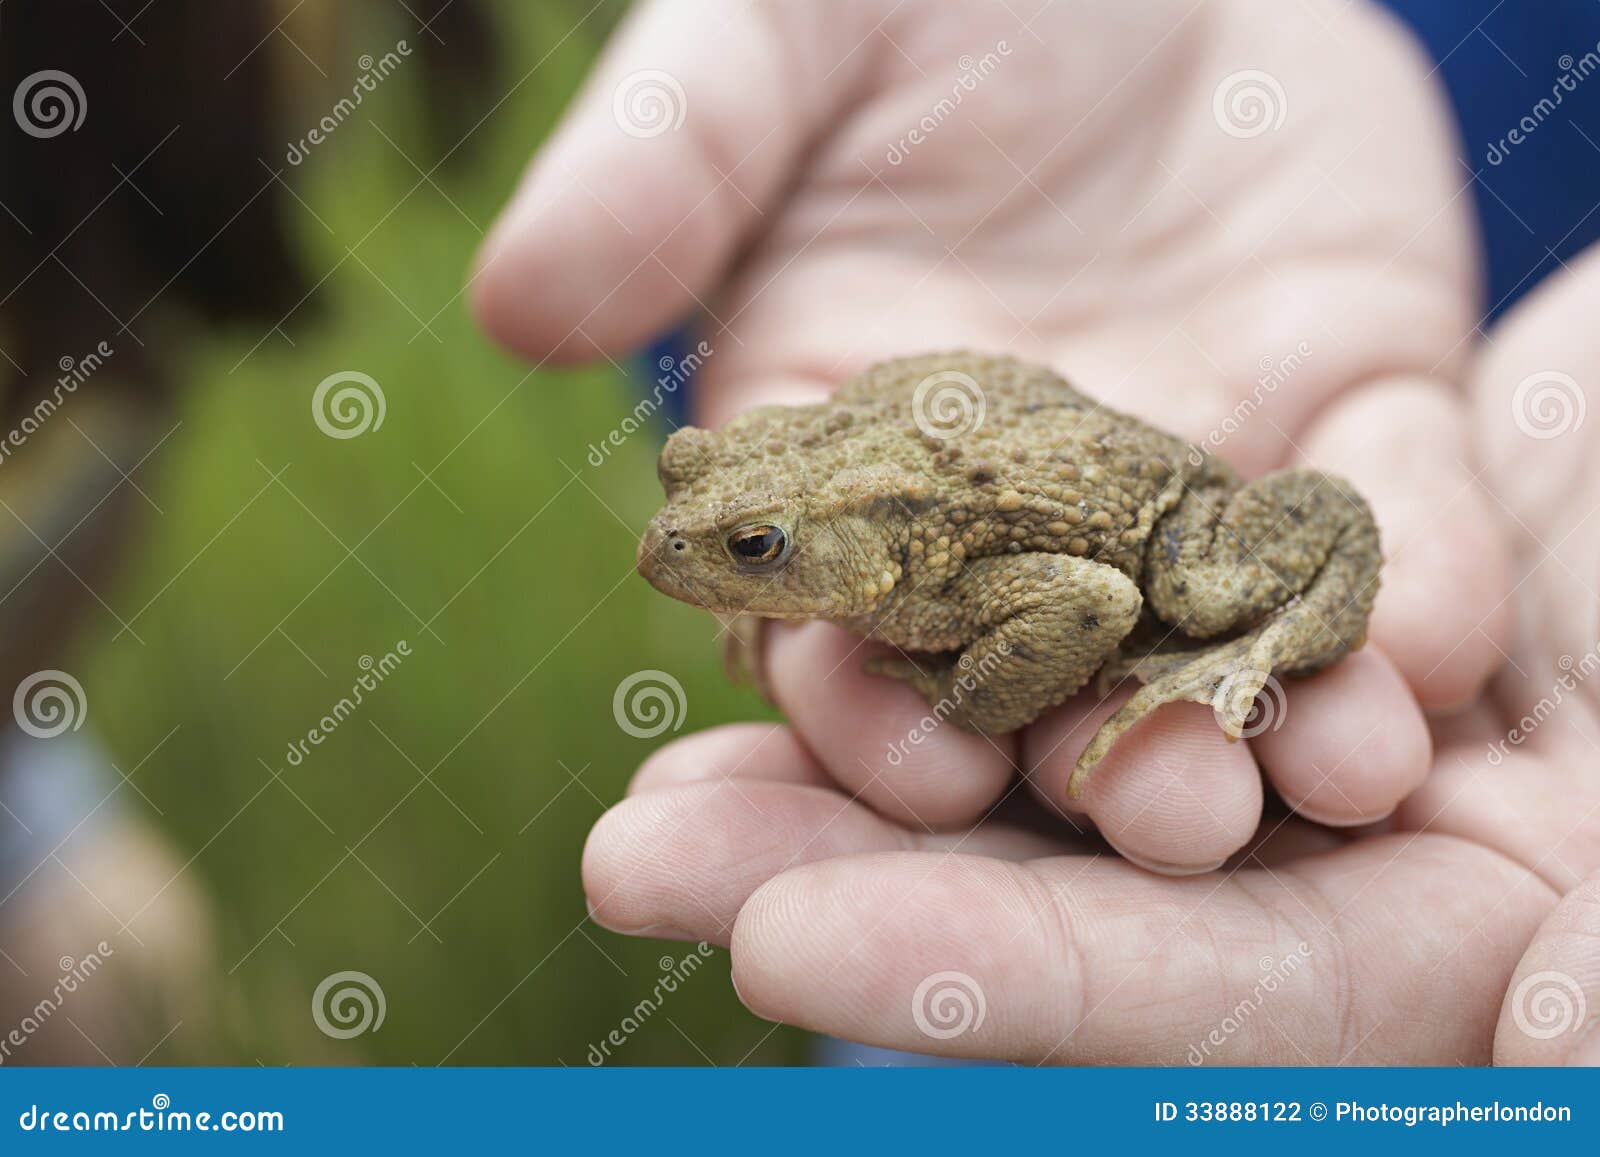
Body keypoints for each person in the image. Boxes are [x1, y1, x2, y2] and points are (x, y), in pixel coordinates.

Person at [473, 0, 1600, 1063]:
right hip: (991, 440)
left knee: (1200, 604)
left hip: (1147, 507)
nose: (671, 541)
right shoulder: (845, 513)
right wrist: (757, 577)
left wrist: (967, 694)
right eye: (692, 486)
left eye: (754, 547)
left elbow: (1097, 595)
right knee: (921, 961)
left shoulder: (938, 573)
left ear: (856, 546)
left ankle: (1262, 637)